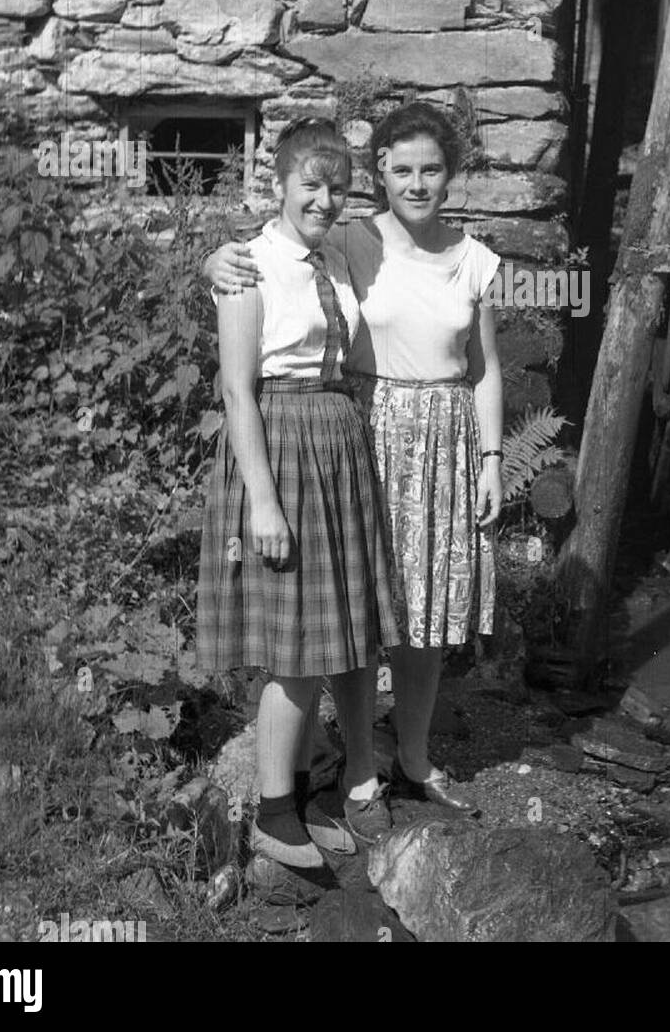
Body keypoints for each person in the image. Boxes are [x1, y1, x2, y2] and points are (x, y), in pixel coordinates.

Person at [205, 102, 503, 821]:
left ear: (451, 175)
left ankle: (413, 754)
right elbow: (266, 252)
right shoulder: (350, 239)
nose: (418, 182)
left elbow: (486, 366)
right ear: (382, 178)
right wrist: (209, 259)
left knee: (423, 611)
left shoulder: (475, 258)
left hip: (438, 439)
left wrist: (492, 457)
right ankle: (356, 766)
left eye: (432, 169)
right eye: (402, 170)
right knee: (355, 609)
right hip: (363, 426)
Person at [197, 118, 402, 865]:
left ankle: (340, 773)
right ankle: (271, 809)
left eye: (337, 185)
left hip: (335, 445)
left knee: (343, 627)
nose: (324, 198)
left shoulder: (338, 256)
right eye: (309, 184)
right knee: (298, 645)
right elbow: (237, 391)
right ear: (279, 185)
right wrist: (262, 501)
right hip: (280, 446)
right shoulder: (248, 266)